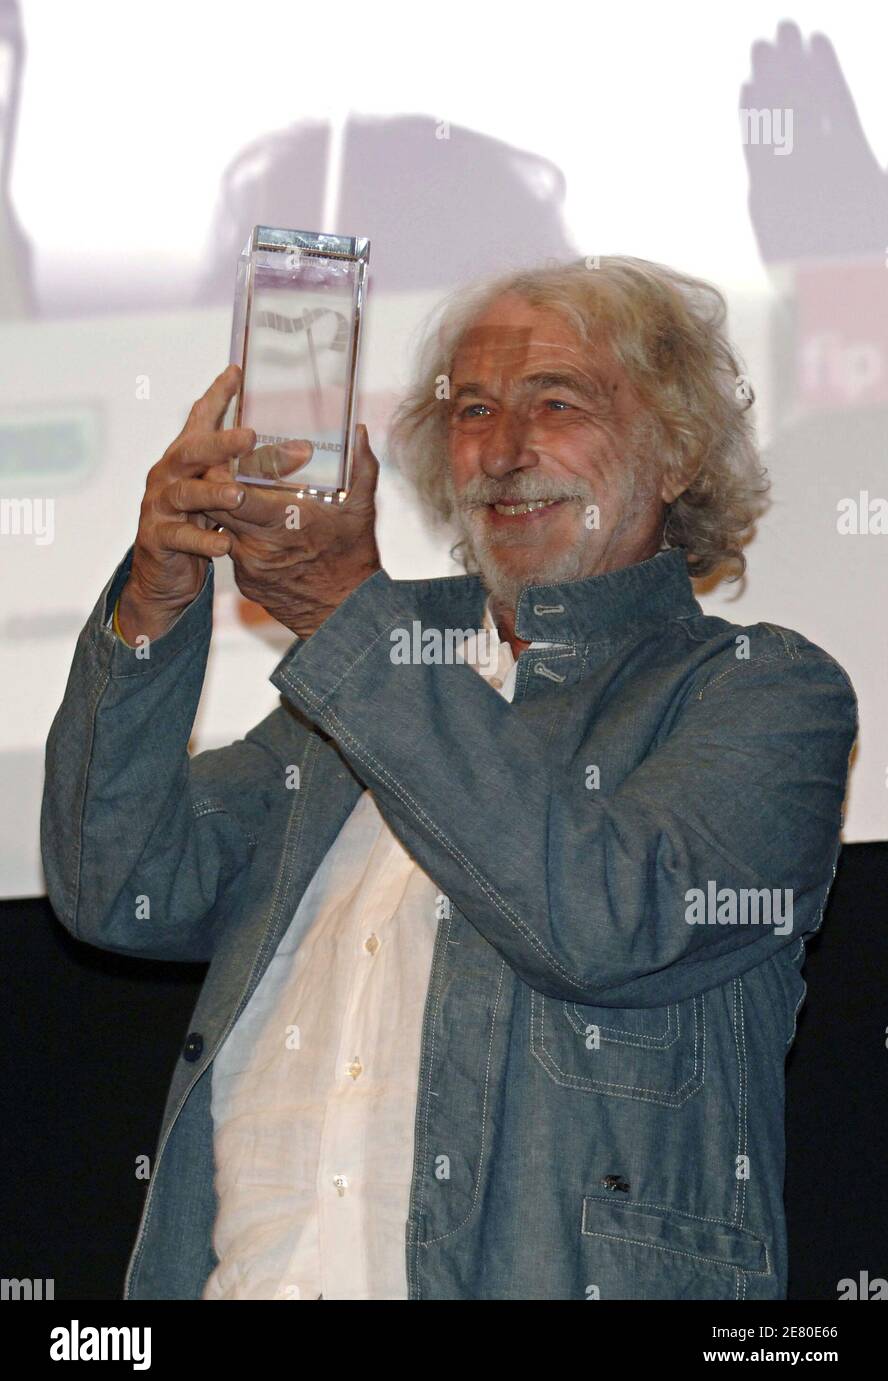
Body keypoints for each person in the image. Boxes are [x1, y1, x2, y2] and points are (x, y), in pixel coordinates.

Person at [41, 256, 857, 1300]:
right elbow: (119, 886)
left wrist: (349, 620)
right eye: (474, 410)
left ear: (680, 451)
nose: (507, 451)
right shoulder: (358, 691)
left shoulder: (761, 689)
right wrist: (154, 603)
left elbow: (605, 920)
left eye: (556, 402)